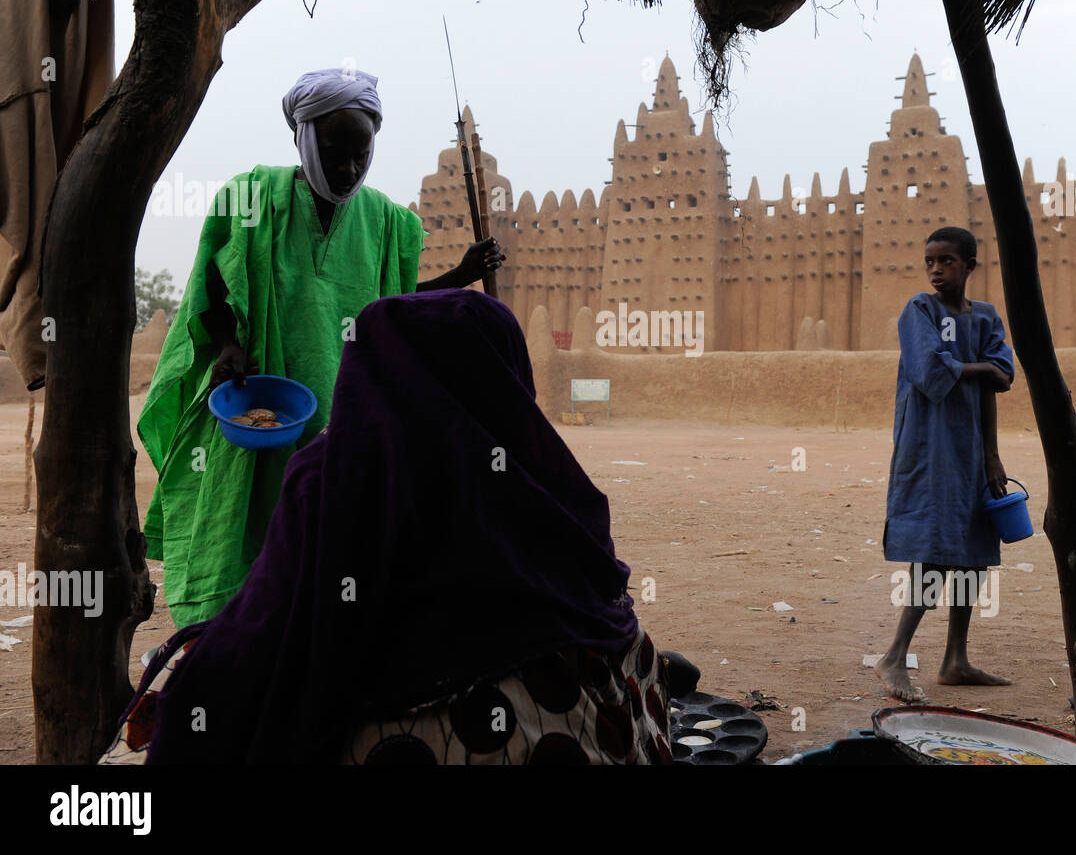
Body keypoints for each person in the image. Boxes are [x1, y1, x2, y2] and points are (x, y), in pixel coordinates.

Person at [103, 290, 677, 764]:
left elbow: (262, 631)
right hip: (578, 734)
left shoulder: (331, 479)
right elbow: (603, 601)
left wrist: (191, 696)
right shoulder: (541, 477)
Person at [138, 68, 505, 629]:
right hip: (260, 408)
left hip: (347, 416)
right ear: (303, 138)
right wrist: (228, 346)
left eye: (362, 155)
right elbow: (207, 293)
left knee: (342, 553)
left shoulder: (386, 221)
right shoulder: (251, 197)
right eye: (336, 153)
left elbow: (393, 304)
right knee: (252, 541)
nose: (350, 168)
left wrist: (459, 275)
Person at [873, 226, 1015, 704]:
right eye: (930, 261)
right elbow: (931, 370)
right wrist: (977, 369)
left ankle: (956, 659)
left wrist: (992, 455)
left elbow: (1003, 378)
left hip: (973, 450)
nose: (936, 269)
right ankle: (895, 654)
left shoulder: (986, 317)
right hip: (930, 446)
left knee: (975, 544)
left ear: (970, 265)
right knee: (935, 547)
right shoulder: (920, 310)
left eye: (947, 261)